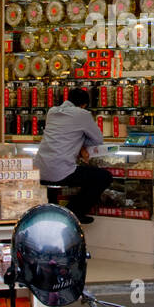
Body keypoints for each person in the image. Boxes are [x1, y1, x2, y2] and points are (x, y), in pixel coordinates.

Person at [33, 88, 113, 224]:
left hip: (39, 170)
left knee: (61, 180)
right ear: (84, 105)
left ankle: (53, 211)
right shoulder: (82, 114)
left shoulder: (52, 112)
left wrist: (78, 143)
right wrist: (81, 143)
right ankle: (72, 213)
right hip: (60, 171)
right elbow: (98, 140)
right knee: (103, 177)